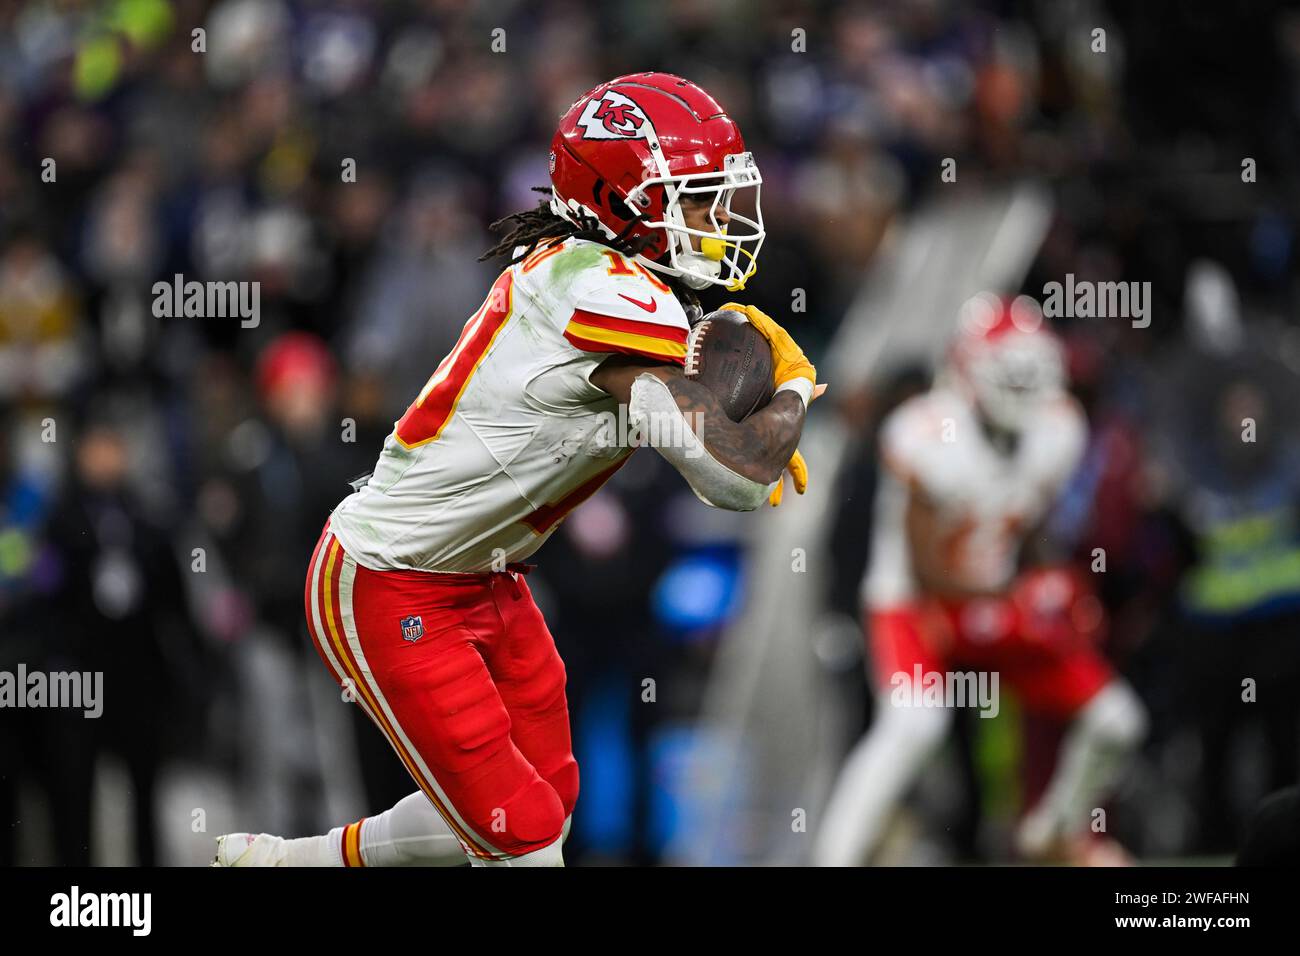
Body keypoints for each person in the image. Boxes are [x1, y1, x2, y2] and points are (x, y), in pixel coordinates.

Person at [215, 72, 823, 866]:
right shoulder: (592, 289)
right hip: (391, 578)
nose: (722, 221)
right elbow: (736, 480)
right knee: (523, 836)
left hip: (488, 578)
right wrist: (795, 389)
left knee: (544, 805)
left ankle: (289, 864)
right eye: (699, 199)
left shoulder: (608, 280)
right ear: (625, 202)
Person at [813, 296, 1146, 866]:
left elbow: (1030, 526)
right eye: (1007, 373)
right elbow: (927, 570)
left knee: (1117, 720)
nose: (1019, 387)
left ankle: (1056, 832)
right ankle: (832, 856)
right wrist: (1023, 595)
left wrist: (1053, 584)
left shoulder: (1058, 430)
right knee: (916, 725)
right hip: (915, 604)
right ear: (968, 370)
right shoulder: (925, 433)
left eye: (1028, 374)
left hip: (994, 597)